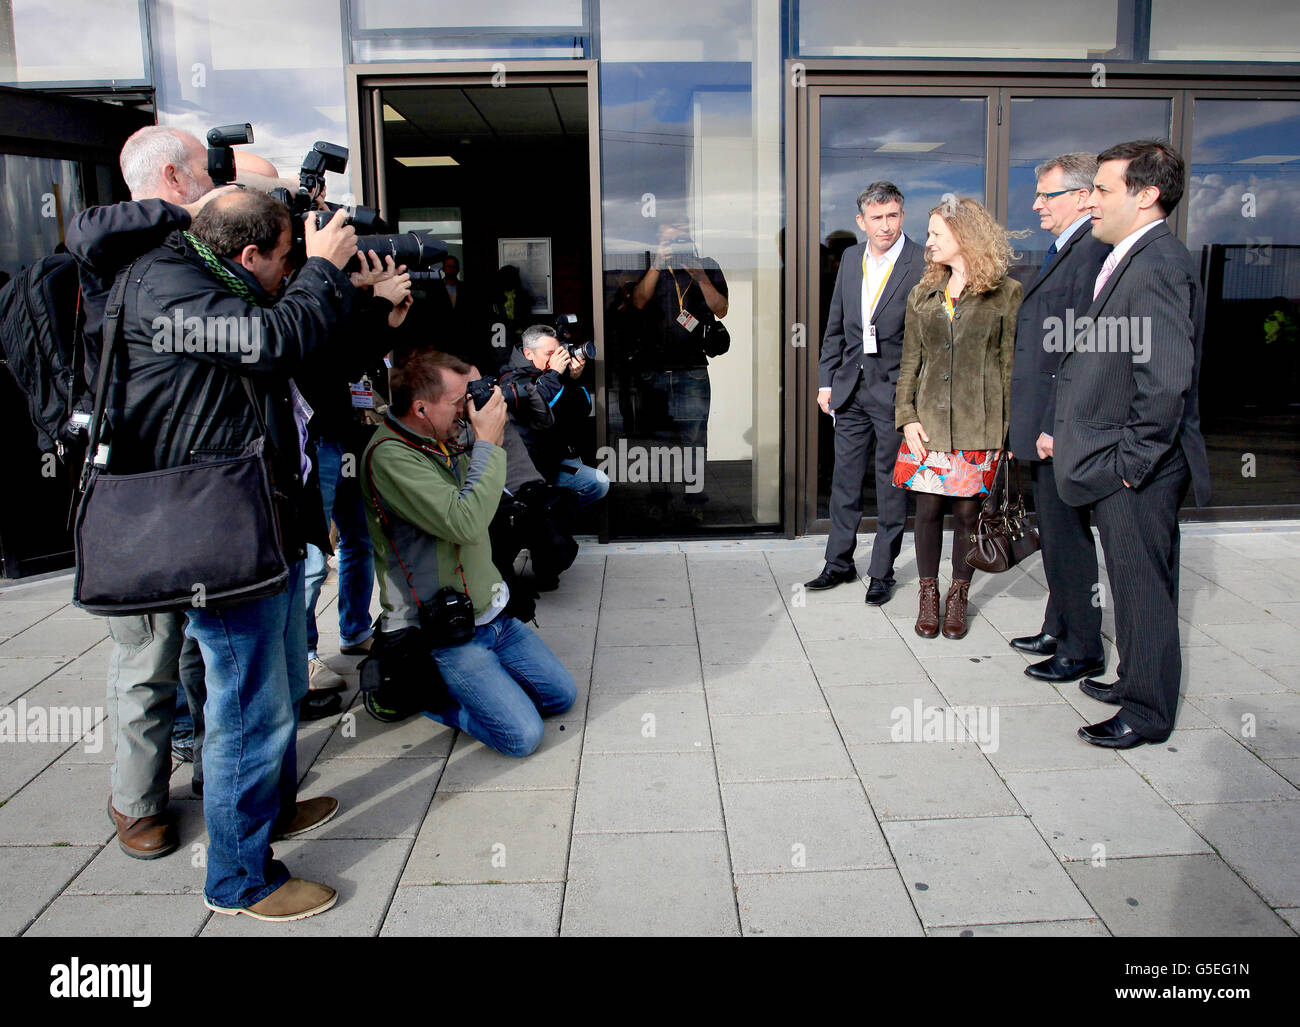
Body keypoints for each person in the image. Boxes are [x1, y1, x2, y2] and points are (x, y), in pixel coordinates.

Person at [101, 187, 359, 920]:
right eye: (284, 259)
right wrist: (323, 275)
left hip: (264, 527)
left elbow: (294, 346)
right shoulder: (168, 285)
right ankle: (240, 879)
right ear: (247, 255)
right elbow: (272, 341)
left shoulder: (215, 280)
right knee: (248, 710)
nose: (289, 271)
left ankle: (271, 813)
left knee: (274, 692)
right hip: (220, 540)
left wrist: (342, 290)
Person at [66, 125, 226, 858]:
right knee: (147, 652)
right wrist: (198, 211)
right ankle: (134, 801)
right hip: (131, 484)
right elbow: (93, 224)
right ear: (170, 174)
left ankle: (194, 762)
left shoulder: (174, 251)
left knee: (190, 643)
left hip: (185, 479)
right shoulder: (113, 243)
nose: (209, 180)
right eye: (201, 171)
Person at [1054, 139, 1211, 749]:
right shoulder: (1127, 255)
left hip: (1136, 468)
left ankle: (1146, 712)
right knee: (1131, 582)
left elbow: (1166, 378)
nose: (1090, 201)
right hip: (1117, 458)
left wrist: (1130, 467)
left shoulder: (1159, 263)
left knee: (1142, 589)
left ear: (1146, 196)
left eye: (1102, 190)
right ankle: (1135, 678)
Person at [362, 349, 577, 757]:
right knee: (522, 737)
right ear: (421, 407)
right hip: (446, 629)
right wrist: (489, 444)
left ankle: (486, 685)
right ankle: (422, 692)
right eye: (460, 400)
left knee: (560, 697)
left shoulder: (448, 435)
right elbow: (463, 521)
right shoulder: (391, 455)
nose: (469, 408)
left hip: (493, 616)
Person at [894, 196, 1022, 640]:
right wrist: (906, 417)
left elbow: (1008, 366)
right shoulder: (921, 294)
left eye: (935, 234)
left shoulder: (1005, 293)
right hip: (927, 423)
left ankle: (959, 594)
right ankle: (929, 594)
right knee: (927, 510)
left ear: (963, 237)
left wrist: (1006, 433)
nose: (927, 242)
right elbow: (910, 361)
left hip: (979, 425)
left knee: (968, 515)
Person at [1007, 153, 1110, 682]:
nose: (1035, 204)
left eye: (1046, 195)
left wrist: (1052, 424)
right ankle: (1057, 623)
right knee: (1054, 530)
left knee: (1067, 536)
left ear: (1081, 195)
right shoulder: (1062, 249)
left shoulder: (1092, 252)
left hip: (1057, 424)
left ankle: (1081, 646)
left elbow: (1076, 353)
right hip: (1039, 418)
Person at [808, 182, 926, 604]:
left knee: (890, 487)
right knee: (844, 482)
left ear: (902, 215)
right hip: (850, 389)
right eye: (876, 218)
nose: (885, 225)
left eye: (892, 215)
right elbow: (835, 325)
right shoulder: (851, 257)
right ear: (862, 221)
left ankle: (882, 572)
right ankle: (838, 563)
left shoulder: (921, 261)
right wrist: (826, 380)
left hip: (896, 393)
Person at [629, 221, 729, 518]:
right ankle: (659, 498)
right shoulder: (649, 266)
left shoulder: (706, 266)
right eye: (669, 238)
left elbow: (721, 308)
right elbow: (638, 301)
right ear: (658, 240)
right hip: (653, 369)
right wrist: (659, 262)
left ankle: (694, 499)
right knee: (657, 439)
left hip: (693, 368)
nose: (676, 245)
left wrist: (700, 277)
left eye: (681, 237)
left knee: (695, 439)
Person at [506, 324, 609, 508]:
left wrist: (573, 380)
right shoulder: (510, 379)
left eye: (558, 352)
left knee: (599, 483)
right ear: (529, 354)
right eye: (549, 354)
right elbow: (535, 409)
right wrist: (553, 374)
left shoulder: (553, 374)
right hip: (525, 469)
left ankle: (555, 518)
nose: (555, 359)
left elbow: (581, 411)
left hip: (552, 462)